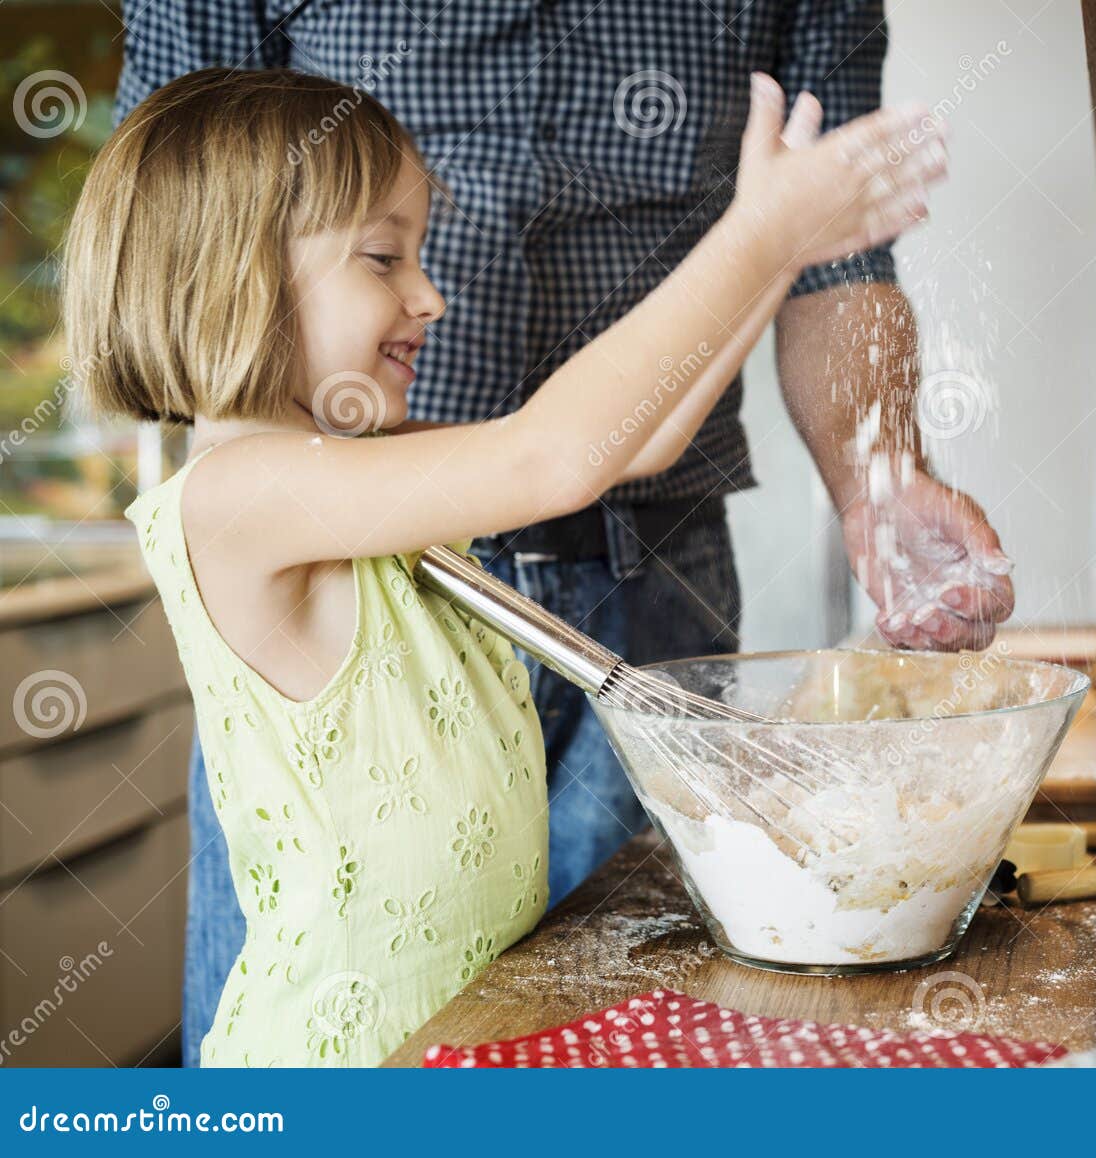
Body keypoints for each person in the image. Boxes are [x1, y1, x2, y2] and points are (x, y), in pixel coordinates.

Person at [114, 1, 1014, 1067]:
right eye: (384, 259)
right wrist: (760, 233)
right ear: (233, 273)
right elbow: (556, 457)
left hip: (451, 1048)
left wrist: (787, 252)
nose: (431, 296)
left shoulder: (367, 466)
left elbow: (645, 438)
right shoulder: (241, 494)